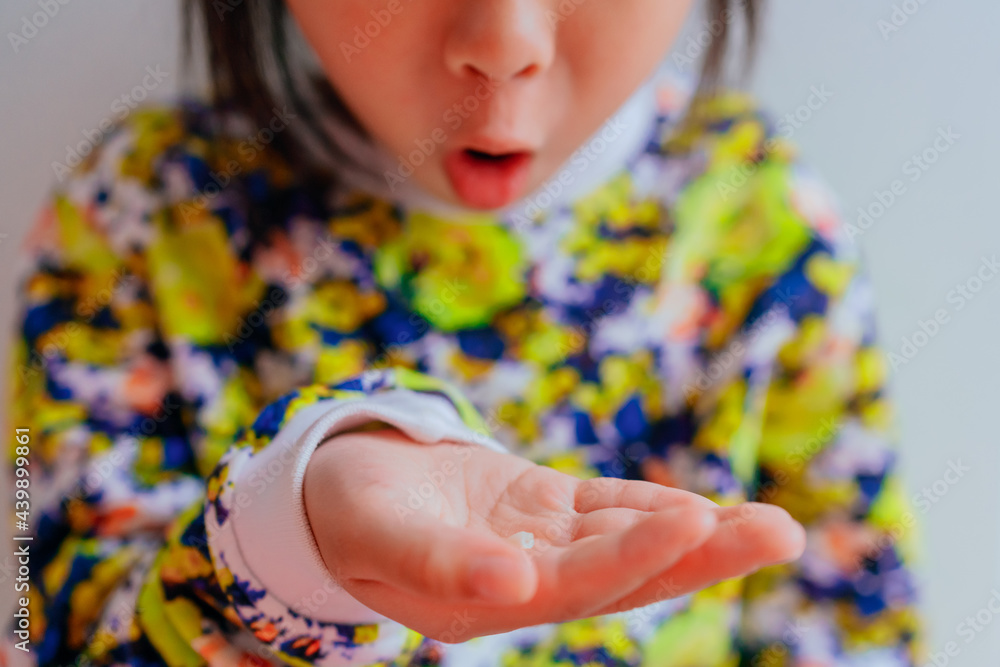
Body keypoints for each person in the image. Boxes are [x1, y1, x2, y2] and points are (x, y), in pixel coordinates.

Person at [4, 0, 922, 664]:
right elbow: (30, 616)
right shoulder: (142, 215)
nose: (505, 42)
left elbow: (854, 620)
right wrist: (290, 543)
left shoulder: (763, 227)